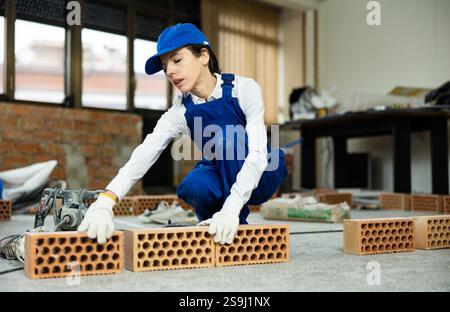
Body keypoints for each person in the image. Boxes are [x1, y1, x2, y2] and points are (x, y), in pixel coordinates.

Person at [78, 23, 287, 244]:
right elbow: (146, 151)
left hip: (263, 170)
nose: (169, 71)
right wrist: (106, 200)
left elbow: (257, 153)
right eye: (165, 66)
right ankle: (214, 230)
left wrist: (231, 210)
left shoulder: (244, 89)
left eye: (177, 60)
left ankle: (235, 223)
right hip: (221, 171)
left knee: (228, 137)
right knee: (193, 187)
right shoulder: (180, 111)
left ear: (204, 56)